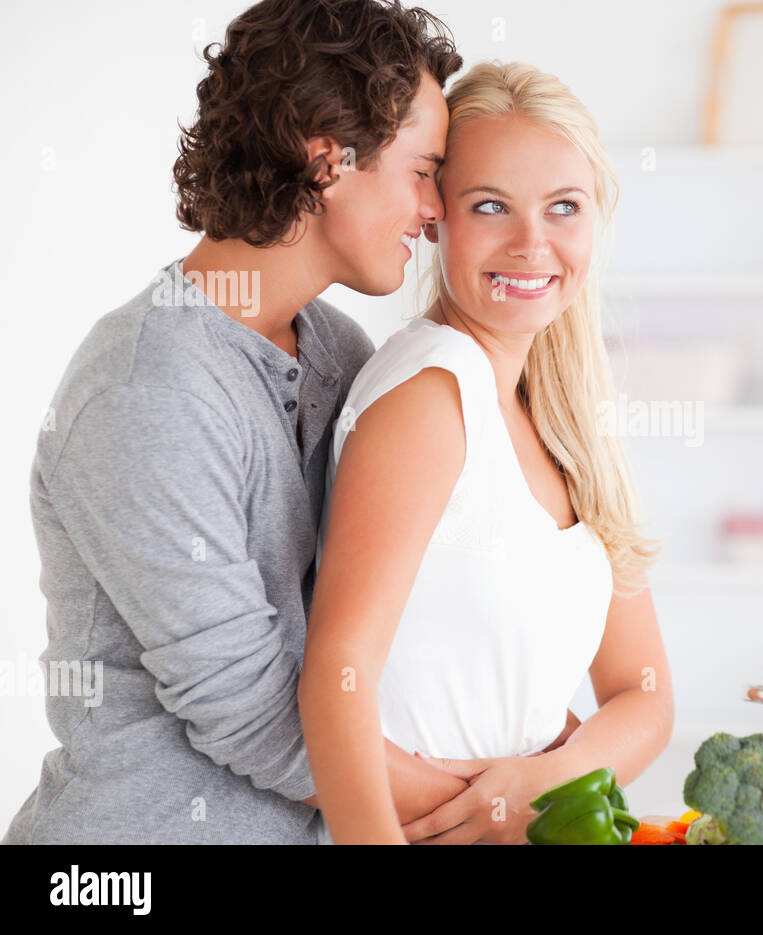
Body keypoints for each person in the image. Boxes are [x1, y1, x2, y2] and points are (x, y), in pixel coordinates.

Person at [3, 0, 465, 844]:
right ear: (328, 162)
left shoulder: (339, 351)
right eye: (422, 170)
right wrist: (486, 797)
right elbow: (254, 716)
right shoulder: (148, 389)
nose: (436, 208)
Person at [300, 61, 674, 844]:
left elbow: (643, 693)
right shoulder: (428, 398)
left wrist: (538, 783)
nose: (531, 245)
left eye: (563, 208)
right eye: (492, 206)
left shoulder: (563, 414)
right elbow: (337, 678)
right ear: (437, 216)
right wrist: (489, 800)